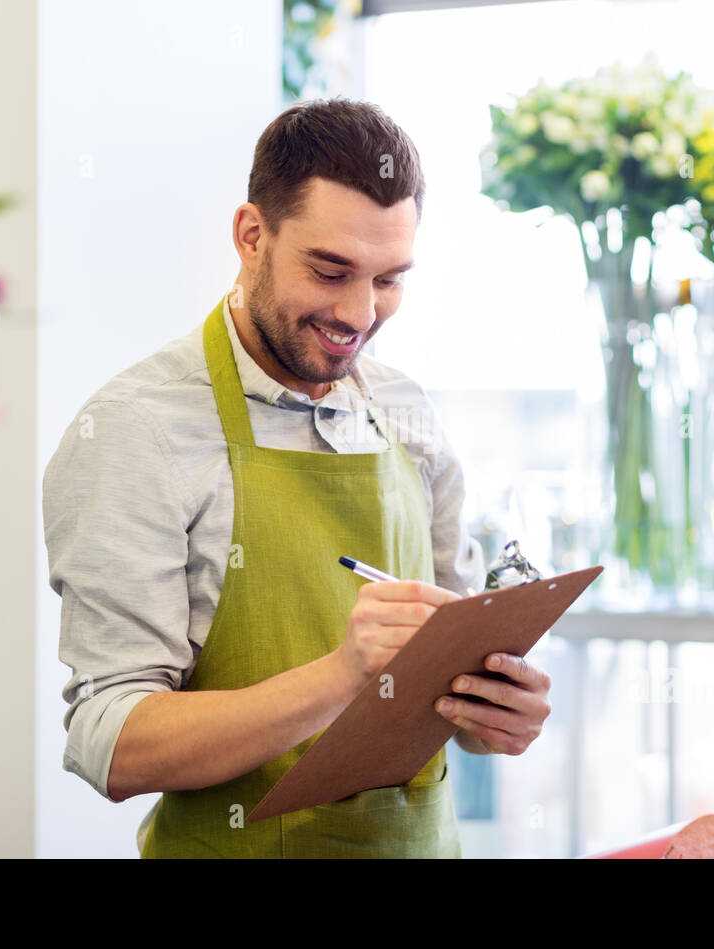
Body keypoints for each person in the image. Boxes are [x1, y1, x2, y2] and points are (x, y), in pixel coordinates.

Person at [43, 97, 552, 858]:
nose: (359, 312)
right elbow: (113, 744)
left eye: (389, 279)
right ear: (253, 235)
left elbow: (452, 673)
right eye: (331, 269)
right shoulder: (136, 429)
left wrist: (498, 713)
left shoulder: (407, 413)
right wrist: (343, 674)